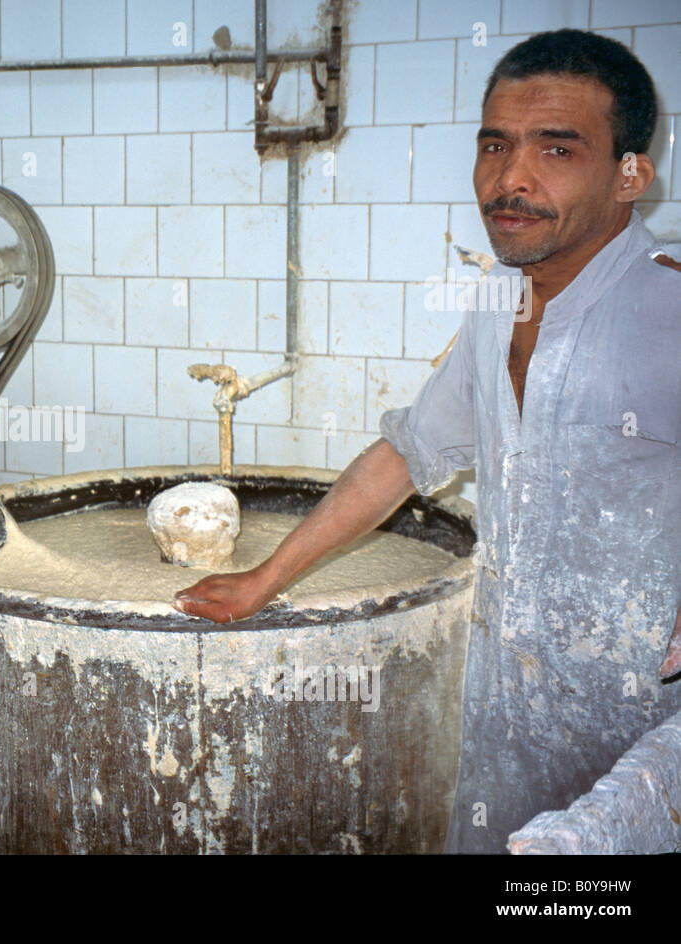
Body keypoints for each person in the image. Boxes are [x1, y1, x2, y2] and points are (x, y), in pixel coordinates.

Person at [174, 29, 681, 854]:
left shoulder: (668, 307)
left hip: (642, 750)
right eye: (494, 145)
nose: (510, 179)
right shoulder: (496, 304)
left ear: (631, 174)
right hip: (505, 736)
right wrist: (263, 579)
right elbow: (407, 455)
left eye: (557, 149)